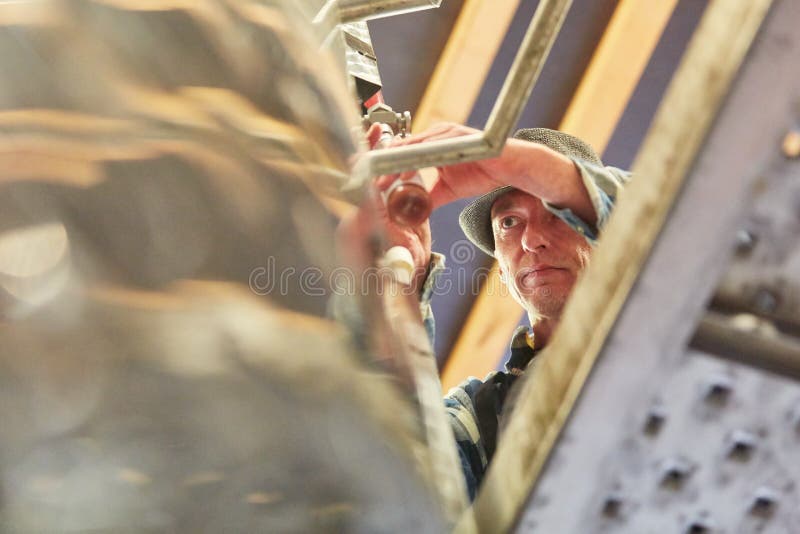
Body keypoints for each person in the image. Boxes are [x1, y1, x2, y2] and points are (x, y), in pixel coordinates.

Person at [349, 122, 630, 499]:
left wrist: (519, 163)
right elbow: (395, 484)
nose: (531, 240)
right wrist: (398, 292)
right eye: (509, 223)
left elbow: (683, 218)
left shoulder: (679, 313)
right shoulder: (481, 416)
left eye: (556, 211)